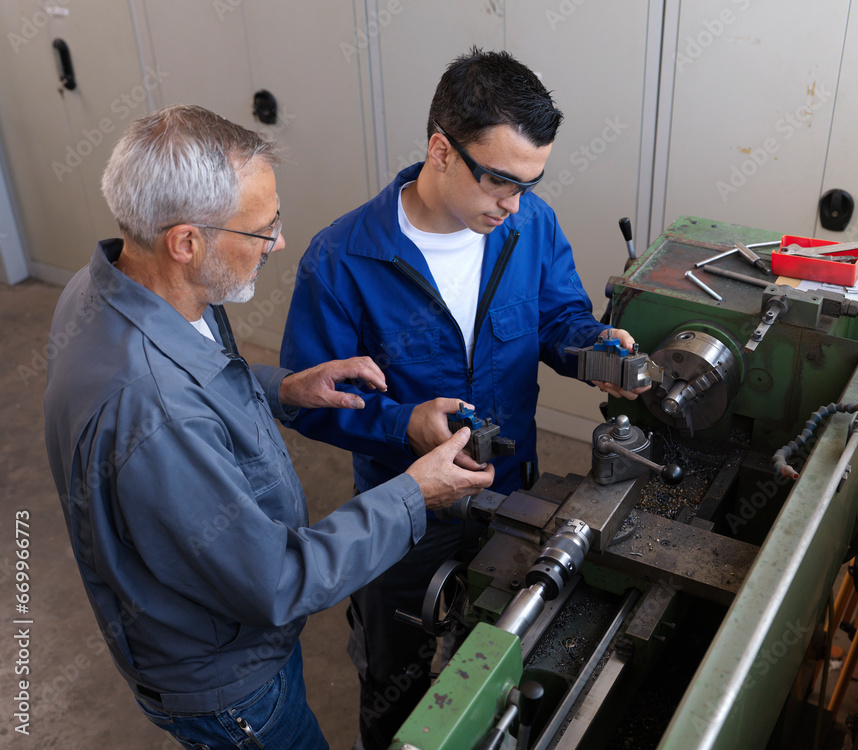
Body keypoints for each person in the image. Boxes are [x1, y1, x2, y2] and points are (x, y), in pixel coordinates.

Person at [43, 104, 494, 750]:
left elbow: (197, 375)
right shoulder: (151, 408)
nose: (279, 244)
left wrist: (280, 388)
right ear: (186, 242)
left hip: (204, 626)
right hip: (232, 688)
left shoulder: (119, 286)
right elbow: (280, 581)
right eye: (261, 231)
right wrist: (414, 493)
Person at [279, 49, 649, 748]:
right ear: (441, 150)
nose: (514, 204)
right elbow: (307, 401)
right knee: (397, 684)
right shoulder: (341, 260)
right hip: (405, 517)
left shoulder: (528, 225)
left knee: (508, 661)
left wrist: (594, 349)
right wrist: (403, 425)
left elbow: (556, 319)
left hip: (516, 500)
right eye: (501, 182)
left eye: (530, 184)